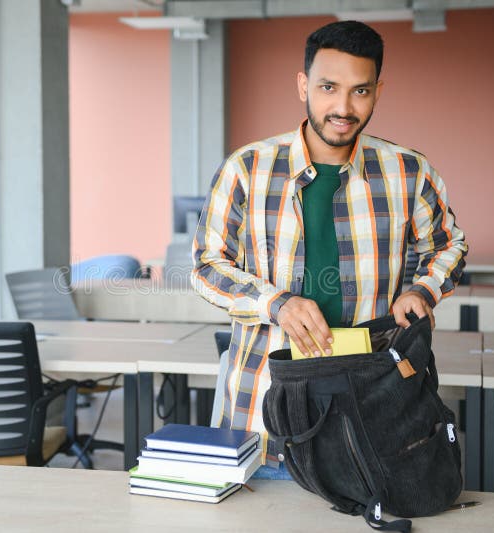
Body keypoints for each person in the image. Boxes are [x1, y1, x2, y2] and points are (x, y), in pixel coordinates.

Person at [191, 20, 467, 478]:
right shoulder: (247, 169)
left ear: (379, 90)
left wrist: (423, 291)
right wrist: (276, 304)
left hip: (374, 414)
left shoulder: (408, 171)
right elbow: (205, 267)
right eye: (327, 87)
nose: (343, 106)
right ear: (303, 85)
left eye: (360, 91)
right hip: (264, 420)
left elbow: (448, 245)